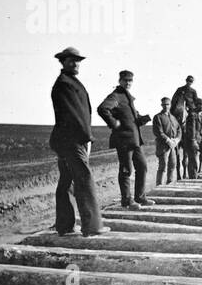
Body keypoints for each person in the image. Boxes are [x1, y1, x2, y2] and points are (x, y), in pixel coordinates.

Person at [48, 47, 108, 237]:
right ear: (63, 62)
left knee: (67, 181)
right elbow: (75, 116)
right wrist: (86, 138)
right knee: (84, 178)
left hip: (68, 139)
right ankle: (92, 226)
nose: (76, 64)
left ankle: (64, 226)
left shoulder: (68, 82)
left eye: (78, 60)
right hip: (72, 139)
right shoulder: (65, 84)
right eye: (71, 60)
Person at [97, 70, 153, 210]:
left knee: (142, 167)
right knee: (126, 170)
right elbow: (102, 109)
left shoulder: (128, 98)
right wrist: (114, 123)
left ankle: (140, 197)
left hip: (135, 141)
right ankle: (127, 201)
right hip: (123, 141)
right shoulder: (116, 96)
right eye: (125, 80)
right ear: (120, 81)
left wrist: (142, 119)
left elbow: (131, 119)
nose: (128, 83)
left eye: (130, 81)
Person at [152, 96, 182, 185]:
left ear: (170, 105)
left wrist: (176, 140)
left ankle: (170, 183)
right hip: (163, 146)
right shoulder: (158, 117)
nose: (166, 106)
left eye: (167, 104)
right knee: (163, 166)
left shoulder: (173, 117)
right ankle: (159, 185)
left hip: (173, 146)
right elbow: (158, 132)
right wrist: (168, 140)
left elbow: (179, 129)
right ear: (161, 105)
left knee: (172, 165)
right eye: (164, 104)